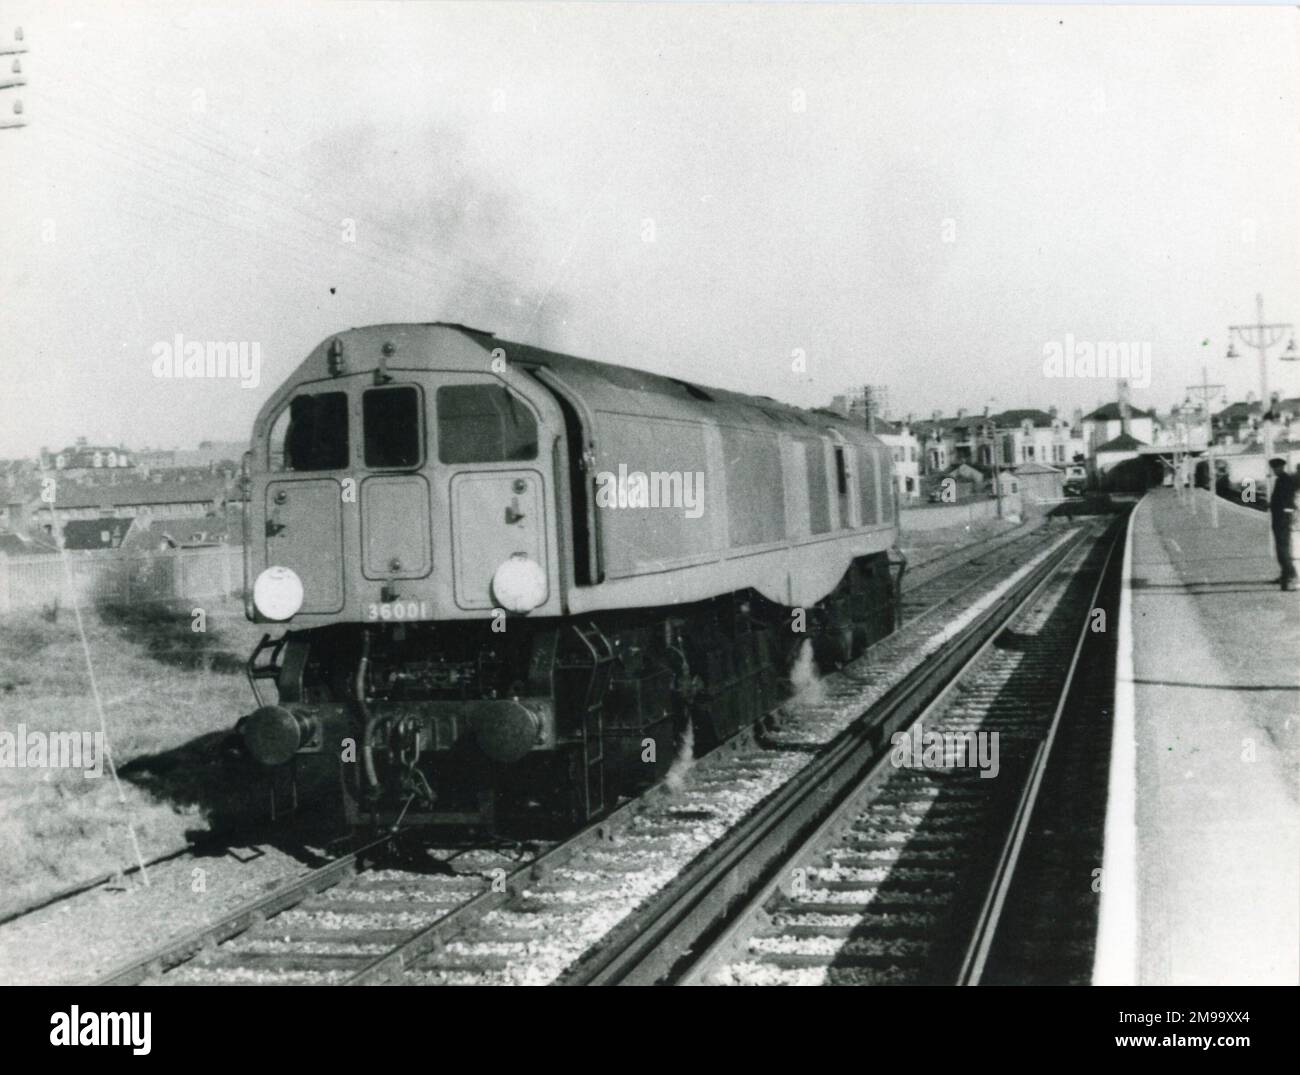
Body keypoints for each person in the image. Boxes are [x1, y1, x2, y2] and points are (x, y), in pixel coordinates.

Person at [1267, 457, 1297, 591]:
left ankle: (1289, 576)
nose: (1273, 471)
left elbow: (1287, 501)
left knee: (1282, 548)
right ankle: (1287, 574)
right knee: (1282, 548)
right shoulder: (1282, 479)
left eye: (1275, 468)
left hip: (1282, 519)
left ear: (1280, 467)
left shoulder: (1285, 480)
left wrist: (1285, 511)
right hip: (1280, 517)